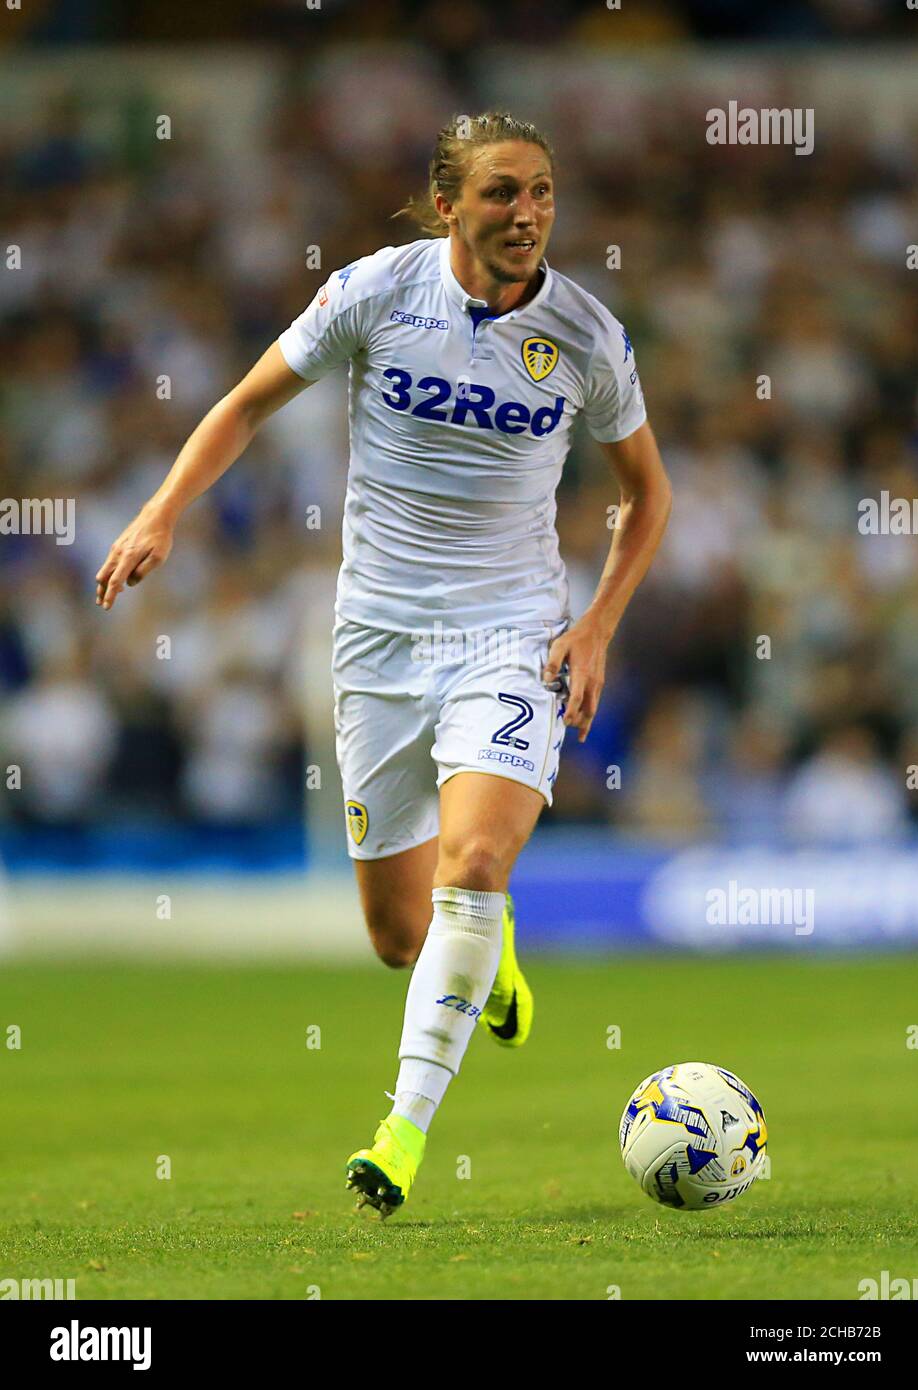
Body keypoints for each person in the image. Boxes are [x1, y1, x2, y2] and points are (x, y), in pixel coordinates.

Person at [95, 111, 672, 1217]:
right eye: (503, 192)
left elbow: (648, 495)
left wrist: (592, 624)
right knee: (400, 935)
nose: (528, 213)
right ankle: (488, 959)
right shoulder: (374, 291)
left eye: (542, 191)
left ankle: (400, 1133)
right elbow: (248, 402)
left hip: (508, 634)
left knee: (476, 865)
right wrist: (166, 508)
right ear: (447, 203)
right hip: (378, 639)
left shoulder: (587, 335)